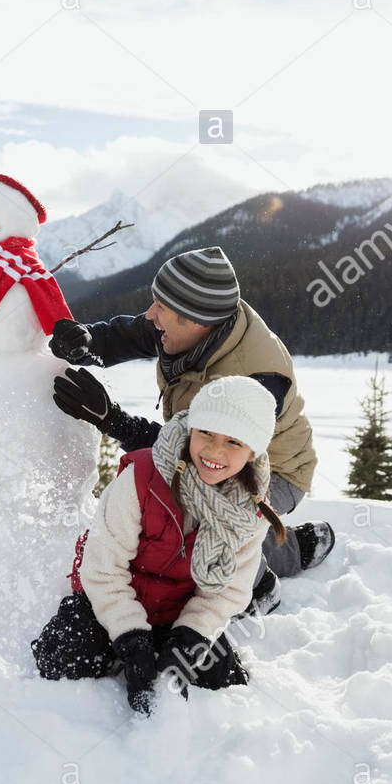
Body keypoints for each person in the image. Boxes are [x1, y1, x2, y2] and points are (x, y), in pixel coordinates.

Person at [49, 246, 333, 607]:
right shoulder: (195, 324)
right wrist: (86, 343)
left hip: (271, 470)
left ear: (196, 320)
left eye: (160, 308)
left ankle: (257, 589)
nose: (151, 315)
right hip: (215, 450)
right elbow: (130, 334)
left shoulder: (255, 379)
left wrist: (114, 421)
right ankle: (293, 546)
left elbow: (204, 458)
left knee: (192, 502)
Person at [32, 377, 286, 714]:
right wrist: (130, 636)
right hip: (110, 597)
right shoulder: (142, 478)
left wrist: (190, 634)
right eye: (206, 432)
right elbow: (103, 568)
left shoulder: (251, 511)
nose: (214, 450)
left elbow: (228, 591)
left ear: (253, 452)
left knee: (220, 680)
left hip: (178, 610)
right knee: (63, 656)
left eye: (233, 442)